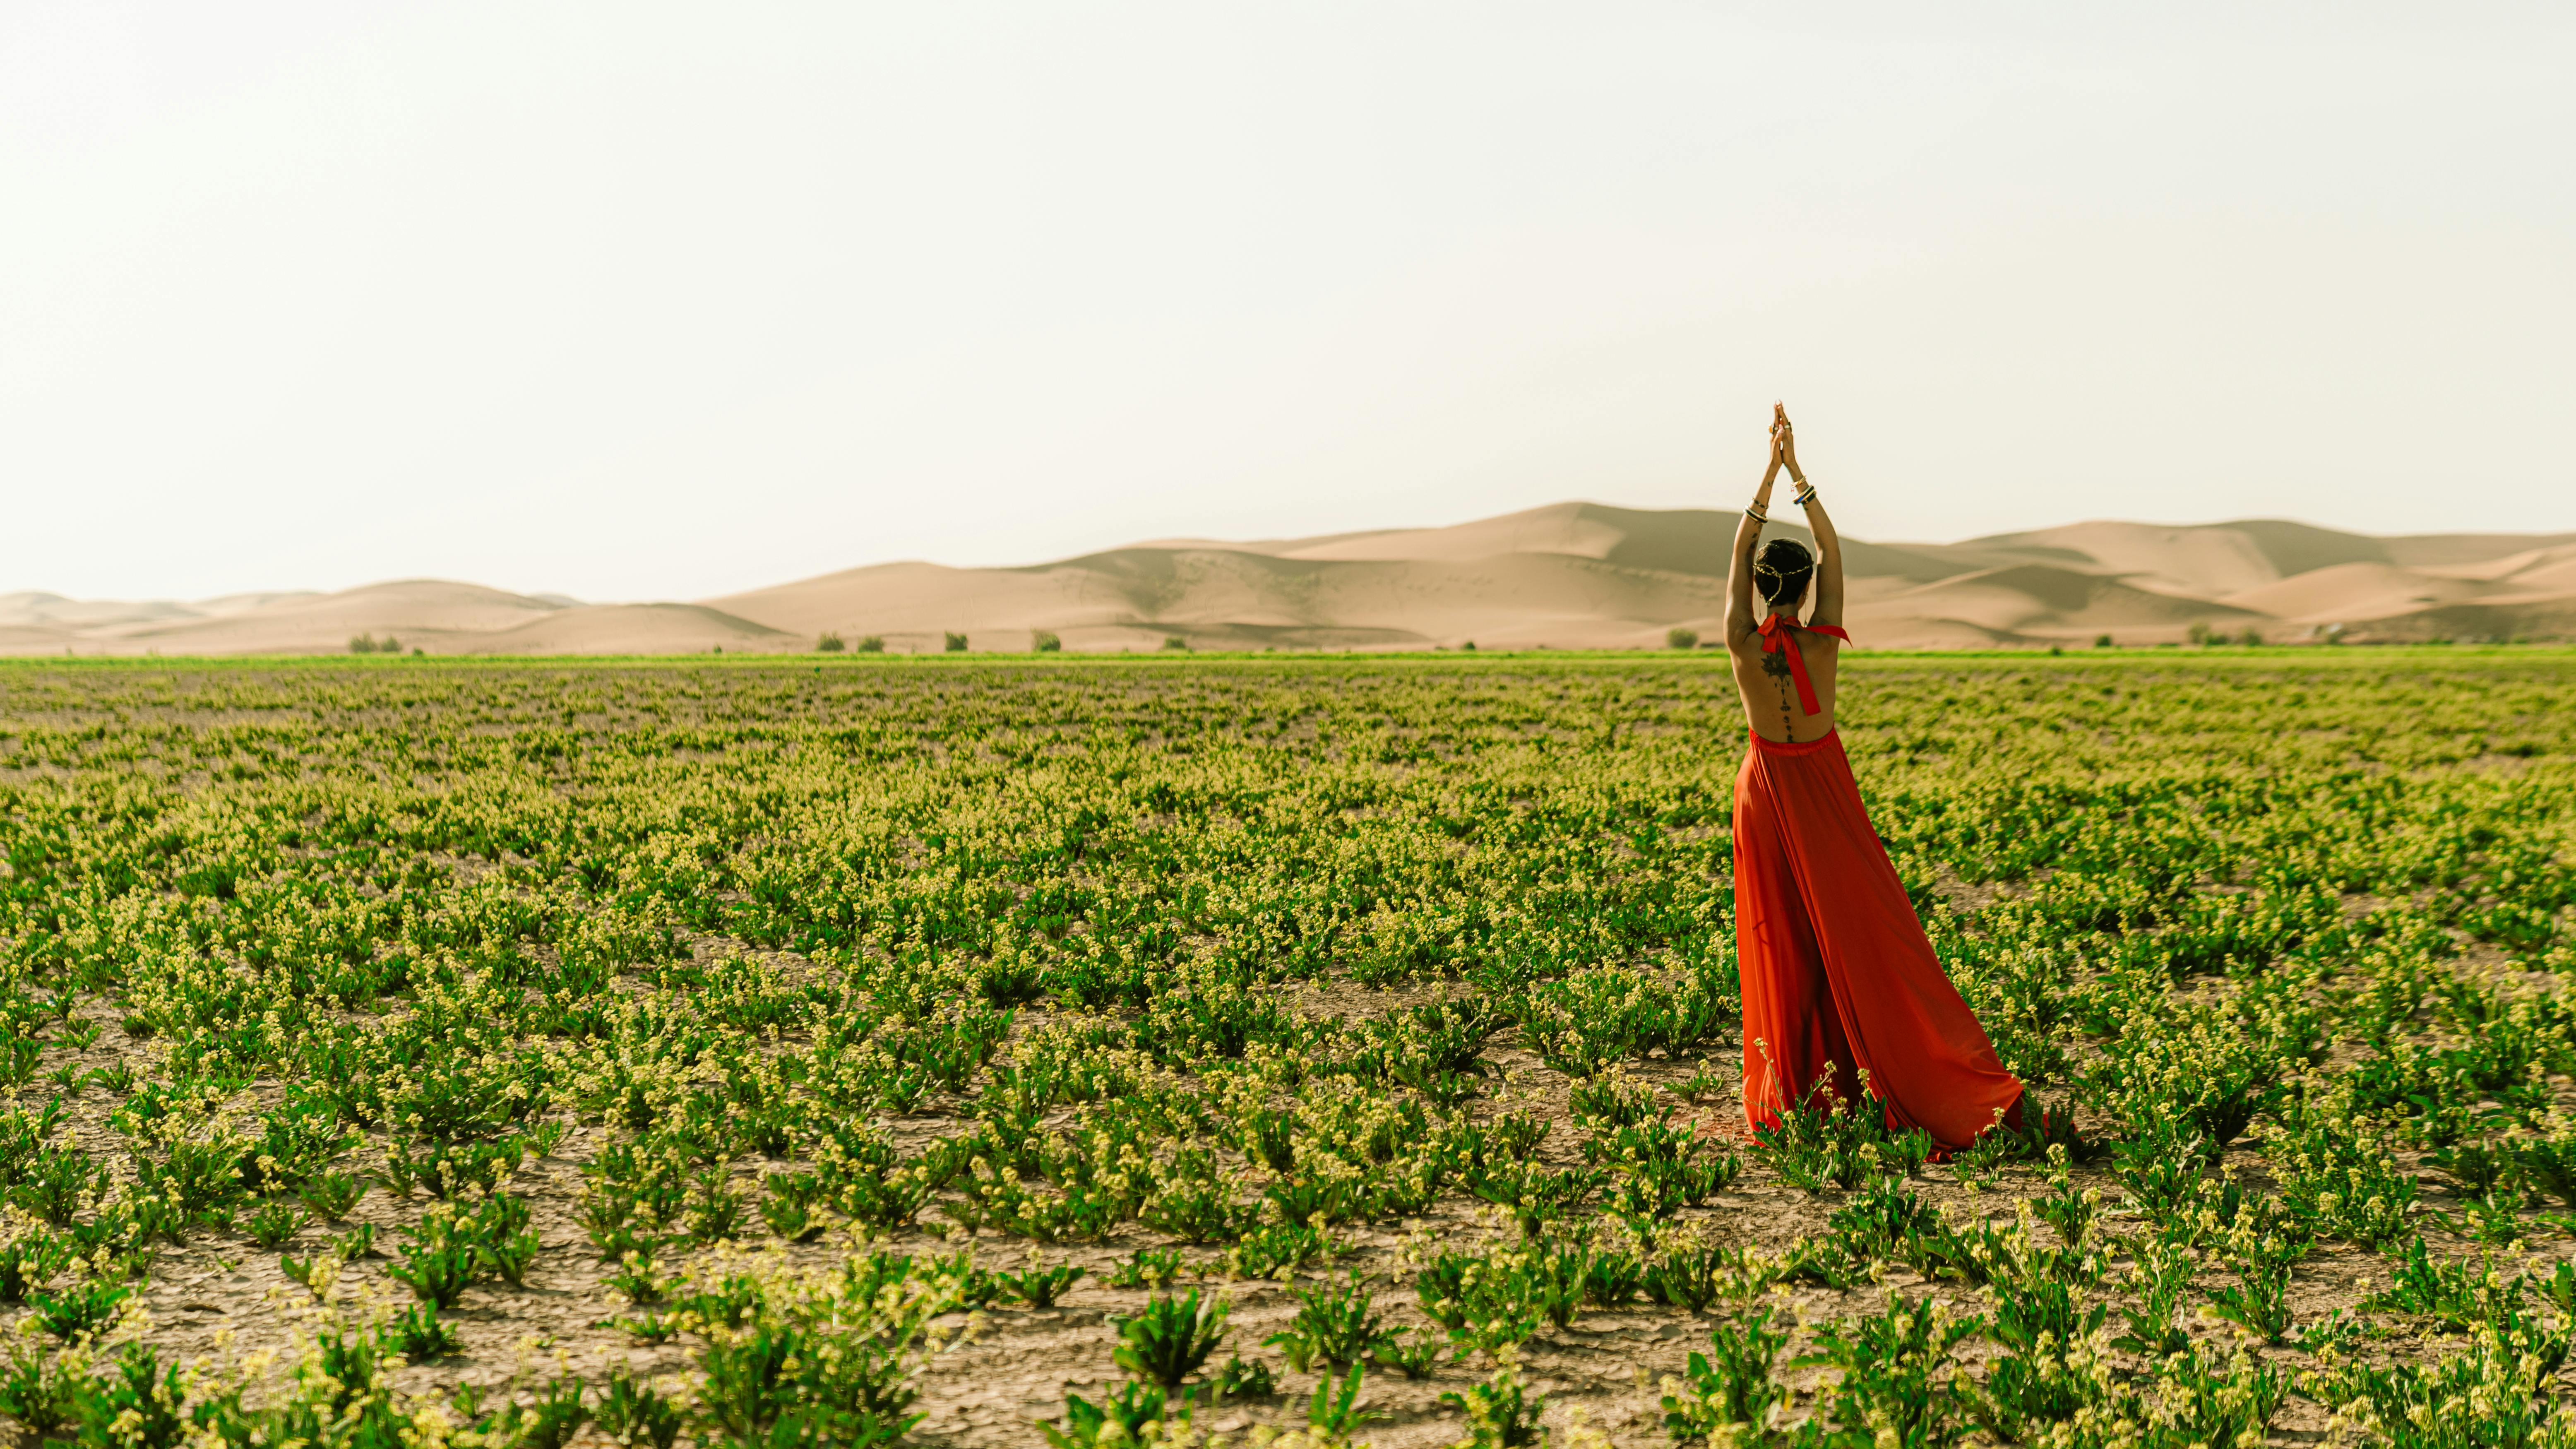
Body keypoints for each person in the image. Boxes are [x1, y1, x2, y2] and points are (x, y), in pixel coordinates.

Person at [1722, 405, 2026, 1153]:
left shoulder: (1738, 640)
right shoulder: (1824, 643)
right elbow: (1829, 547)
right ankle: (1894, 1070)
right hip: (1822, 788)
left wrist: (1764, 475)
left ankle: (1798, 1085)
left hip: (1766, 791)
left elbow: (1738, 555)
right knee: (1864, 930)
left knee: (1787, 936)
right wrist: (1799, 474)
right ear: (1808, 585)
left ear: (1762, 589)